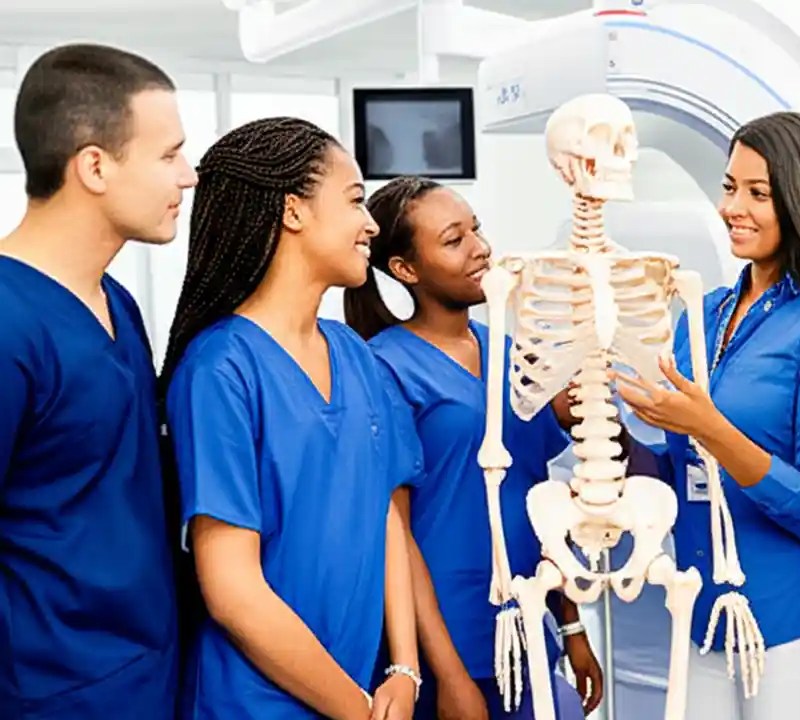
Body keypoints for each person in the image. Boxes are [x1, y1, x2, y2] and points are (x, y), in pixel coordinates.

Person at [614, 111, 800, 719]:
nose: (733, 206)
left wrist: (709, 426)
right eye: (730, 186)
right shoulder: (702, 312)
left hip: (795, 623)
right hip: (704, 617)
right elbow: (675, 470)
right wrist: (609, 434)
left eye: (758, 193)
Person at [159, 117, 421, 720]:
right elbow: (233, 590)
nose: (371, 224)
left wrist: (403, 669)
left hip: (363, 690)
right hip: (254, 701)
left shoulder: (354, 353)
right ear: (293, 211)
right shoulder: (221, 368)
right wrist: (354, 709)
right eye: (355, 201)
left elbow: (383, 511)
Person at [343, 176, 603, 720]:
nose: (480, 248)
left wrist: (572, 624)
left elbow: (541, 500)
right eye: (453, 239)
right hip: (448, 639)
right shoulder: (382, 366)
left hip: (532, 628)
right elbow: (395, 530)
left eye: (477, 230)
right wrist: (448, 674)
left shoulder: (512, 353)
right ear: (405, 270)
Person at [0, 43, 196, 718]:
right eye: (169, 154)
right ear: (94, 166)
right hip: (49, 694)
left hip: (149, 676)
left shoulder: (119, 305)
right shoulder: (9, 322)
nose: (189, 176)